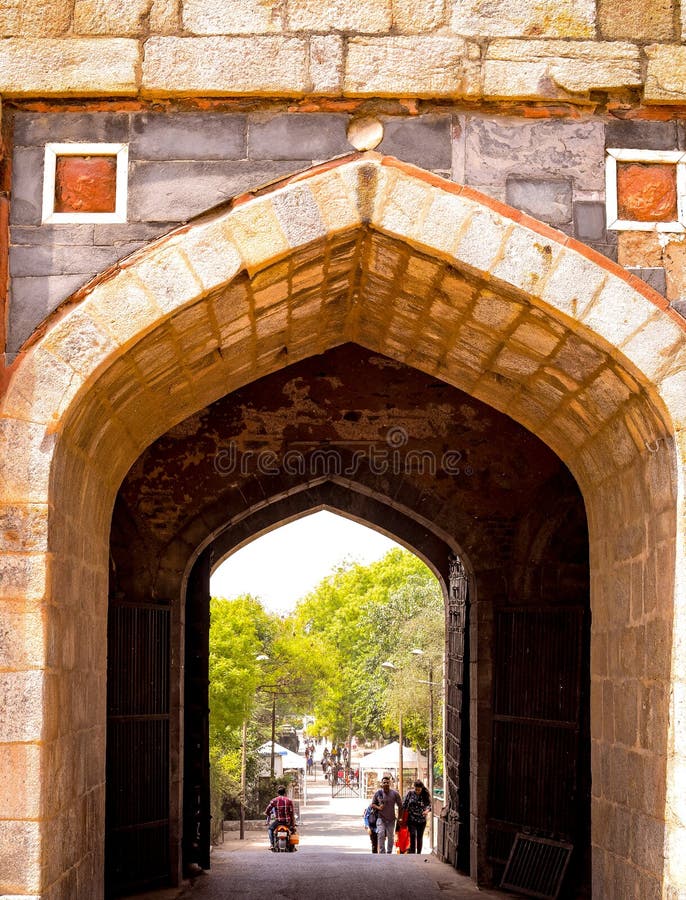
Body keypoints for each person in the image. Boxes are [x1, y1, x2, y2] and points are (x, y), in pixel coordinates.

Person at [371, 774, 402, 854]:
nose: (386, 784)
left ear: (390, 783)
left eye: (387, 782)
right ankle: (382, 852)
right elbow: (373, 804)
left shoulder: (395, 794)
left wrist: (400, 818)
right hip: (380, 818)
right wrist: (379, 808)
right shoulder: (378, 793)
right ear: (381, 784)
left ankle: (389, 852)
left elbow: (400, 805)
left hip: (391, 819)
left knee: (390, 836)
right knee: (381, 834)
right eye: (384, 782)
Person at [402, 780, 431, 854]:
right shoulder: (410, 793)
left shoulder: (425, 795)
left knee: (419, 837)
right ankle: (412, 852)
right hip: (411, 819)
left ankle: (419, 853)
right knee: (412, 835)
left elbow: (429, 806)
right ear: (414, 788)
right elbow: (404, 804)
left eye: (419, 790)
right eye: (416, 789)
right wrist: (401, 816)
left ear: (421, 788)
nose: (417, 791)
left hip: (422, 820)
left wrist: (427, 811)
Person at [264, 785, 296, 851]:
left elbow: (267, 810)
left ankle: (272, 844)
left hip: (278, 822)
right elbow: (292, 813)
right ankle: (292, 846)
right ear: (285, 793)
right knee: (293, 830)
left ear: (278, 793)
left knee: (270, 829)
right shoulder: (289, 801)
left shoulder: (274, 800)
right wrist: (293, 824)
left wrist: (268, 814)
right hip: (287, 822)